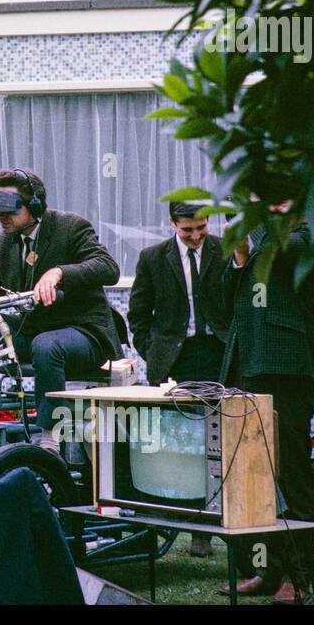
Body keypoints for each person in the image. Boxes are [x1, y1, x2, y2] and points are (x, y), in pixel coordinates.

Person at [0, 169, 122, 452]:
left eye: (9, 209)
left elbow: (108, 268)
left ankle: (49, 438)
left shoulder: (71, 227)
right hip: (31, 334)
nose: (0, 217)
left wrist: (59, 273)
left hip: (83, 334)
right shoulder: (6, 240)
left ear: (34, 206)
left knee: (47, 345)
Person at [219, 209, 314, 603]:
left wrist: (256, 214)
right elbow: (228, 296)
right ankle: (266, 569)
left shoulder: (312, 233)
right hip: (248, 365)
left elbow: (284, 253)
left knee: (293, 476)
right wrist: (237, 256)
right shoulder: (266, 237)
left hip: (288, 368)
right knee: (256, 476)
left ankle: (300, 577)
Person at [127, 200, 229, 556]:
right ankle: (179, 520)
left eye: (202, 228)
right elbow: (137, 315)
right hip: (177, 359)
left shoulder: (225, 250)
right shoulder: (152, 258)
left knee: (218, 443)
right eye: (188, 230)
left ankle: (210, 526)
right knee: (182, 444)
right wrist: (153, 352)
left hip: (219, 354)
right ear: (173, 224)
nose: (197, 236)